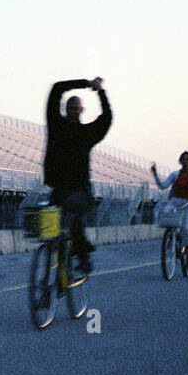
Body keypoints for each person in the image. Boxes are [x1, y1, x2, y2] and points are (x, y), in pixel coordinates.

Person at [43, 77, 112, 272]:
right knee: (45, 220)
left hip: (81, 190)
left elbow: (106, 118)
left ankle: (83, 256)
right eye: (70, 108)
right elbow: (57, 88)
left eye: (76, 108)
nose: (72, 112)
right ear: (65, 110)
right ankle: (55, 258)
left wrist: (100, 92)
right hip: (58, 187)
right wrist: (86, 83)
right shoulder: (56, 124)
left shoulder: (88, 132)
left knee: (73, 217)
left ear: (81, 110)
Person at [151, 151, 188, 270]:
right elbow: (163, 186)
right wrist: (155, 174)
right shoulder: (175, 174)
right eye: (183, 159)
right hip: (175, 202)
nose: (185, 161)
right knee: (169, 221)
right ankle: (171, 240)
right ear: (180, 161)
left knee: (186, 229)